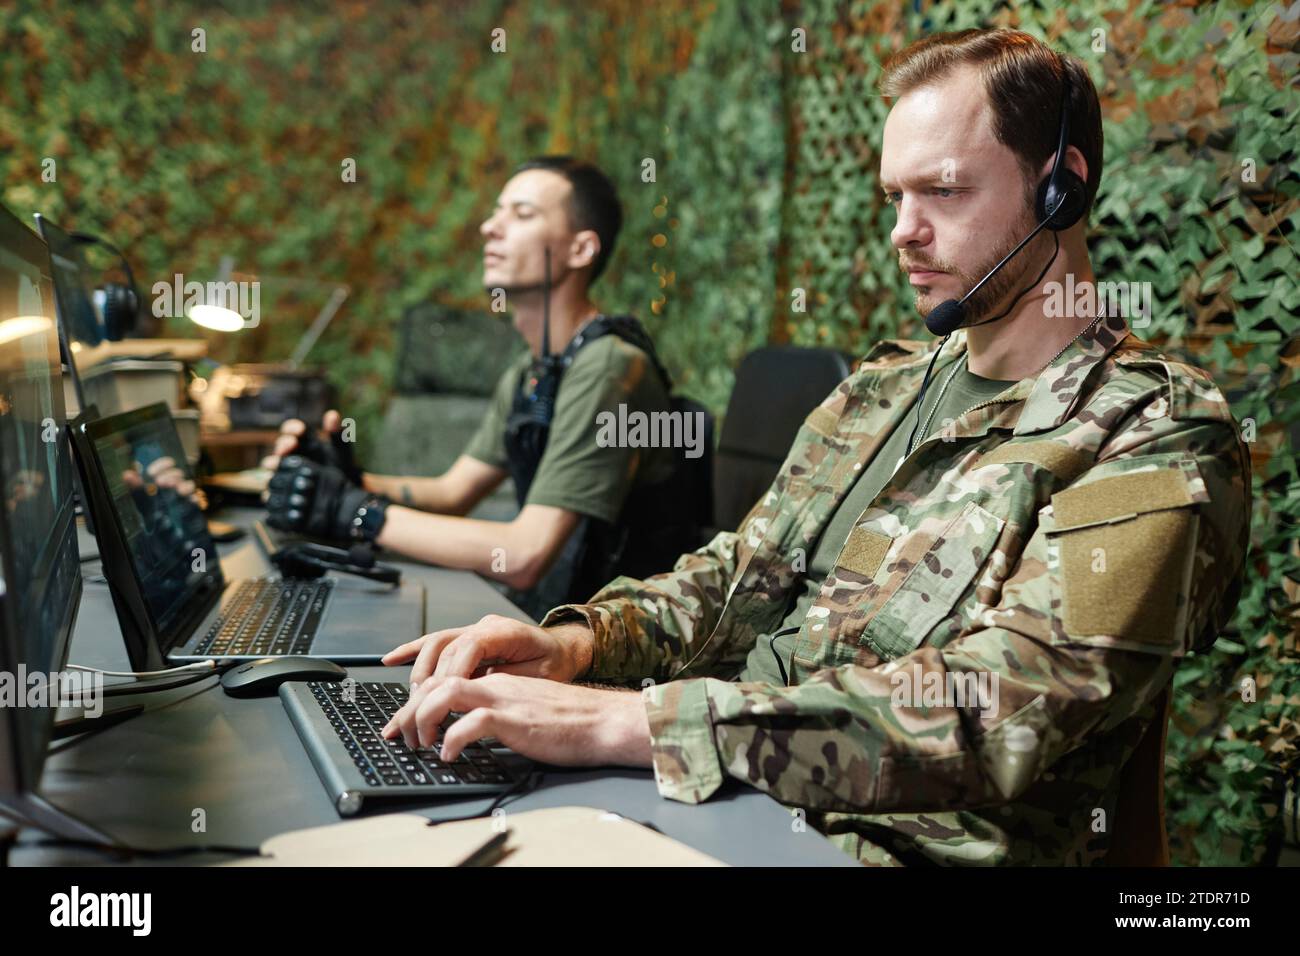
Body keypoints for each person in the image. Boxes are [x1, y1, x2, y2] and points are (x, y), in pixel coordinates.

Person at [380, 29, 1252, 865]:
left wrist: (629, 724)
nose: (902, 231)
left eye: (943, 192)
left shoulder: (1156, 435)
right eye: (893, 198)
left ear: (1061, 187)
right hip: (724, 801)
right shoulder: (883, 386)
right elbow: (736, 577)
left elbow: (996, 711)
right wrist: (578, 648)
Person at [264, 157, 690, 619]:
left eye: (522, 214)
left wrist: (355, 512)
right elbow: (454, 492)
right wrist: (347, 479)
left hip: (615, 643)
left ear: (581, 250)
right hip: (556, 617)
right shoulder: (534, 372)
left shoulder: (608, 367)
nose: (490, 227)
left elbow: (525, 555)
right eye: (496, 211)